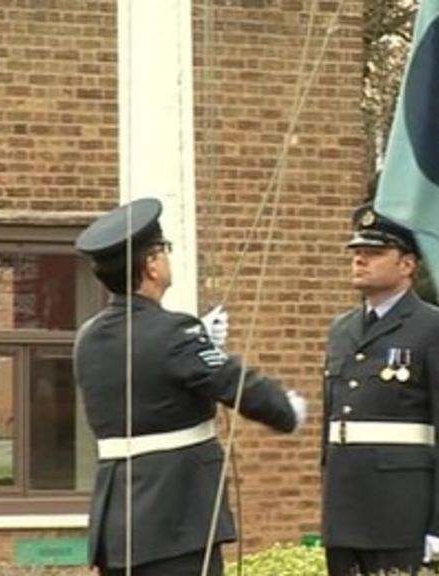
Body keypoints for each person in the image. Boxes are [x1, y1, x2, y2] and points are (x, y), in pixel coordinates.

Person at [73, 197, 307, 576]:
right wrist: (284, 409)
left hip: (119, 519)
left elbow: (146, 371)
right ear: (150, 264)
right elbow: (231, 381)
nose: (166, 257)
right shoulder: (174, 332)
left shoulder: (88, 337)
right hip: (174, 517)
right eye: (163, 250)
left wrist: (198, 340)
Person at [320, 204, 439, 576]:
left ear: (407, 265)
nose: (360, 261)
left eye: (375, 254)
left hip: (401, 514)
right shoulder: (342, 330)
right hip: (346, 510)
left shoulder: (437, 329)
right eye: (357, 254)